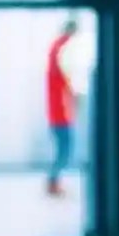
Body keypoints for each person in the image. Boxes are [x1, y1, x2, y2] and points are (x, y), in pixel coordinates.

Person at [44, 17, 79, 197]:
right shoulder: (63, 49)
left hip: (57, 110)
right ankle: (53, 182)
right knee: (64, 149)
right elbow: (67, 79)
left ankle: (53, 182)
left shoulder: (56, 48)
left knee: (62, 148)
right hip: (61, 112)